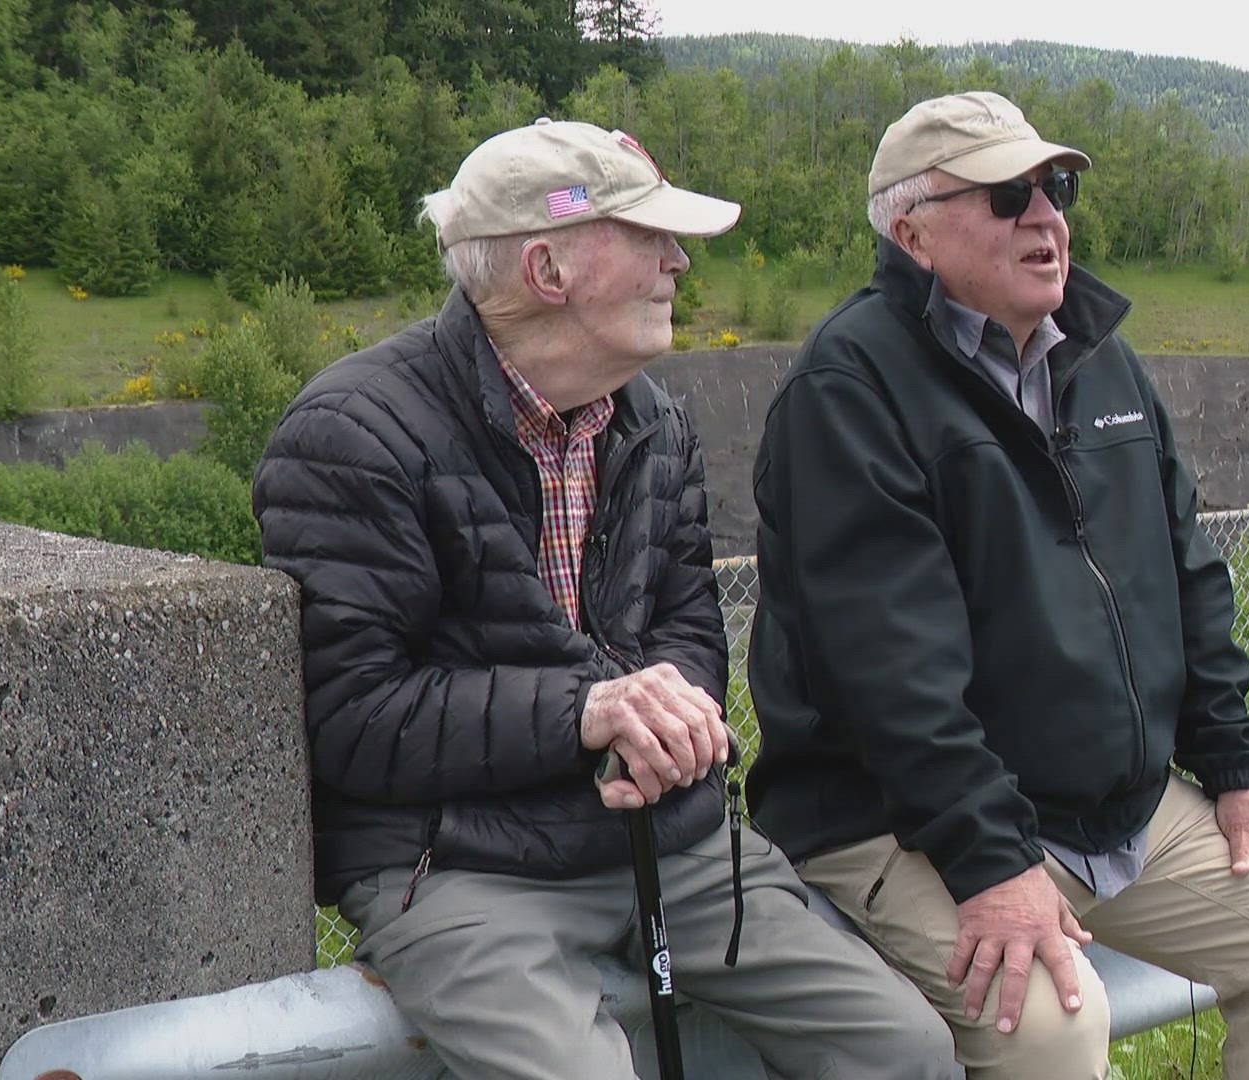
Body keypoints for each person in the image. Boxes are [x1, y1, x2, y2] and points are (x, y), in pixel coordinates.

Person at [253, 118, 955, 1080]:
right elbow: (355, 716)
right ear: (549, 271)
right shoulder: (354, 434)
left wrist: (667, 720)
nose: (680, 264)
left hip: (665, 839)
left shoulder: (652, 418)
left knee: (904, 1050)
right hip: (461, 864)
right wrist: (589, 713)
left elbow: (688, 626)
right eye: (651, 238)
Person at [746, 91, 1249, 1079]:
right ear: (912, 232)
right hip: (904, 820)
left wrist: (1239, 772)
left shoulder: (1101, 361)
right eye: (1007, 196)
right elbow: (888, 671)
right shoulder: (851, 391)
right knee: (1050, 1026)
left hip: (1107, 811)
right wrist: (993, 862)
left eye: (1057, 187)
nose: (1047, 218)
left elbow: (1187, 575)